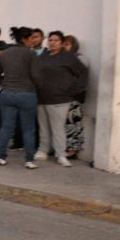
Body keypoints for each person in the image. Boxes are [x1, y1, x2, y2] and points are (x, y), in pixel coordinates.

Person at [34, 31, 88, 167]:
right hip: (42, 98)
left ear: (62, 43)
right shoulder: (43, 56)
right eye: (50, 40)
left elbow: (82, 72)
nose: (52, 43)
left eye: (56, 40)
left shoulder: (68, 57)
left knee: (58, 128)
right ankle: (43, 150)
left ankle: (61, 154)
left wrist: (74, 90)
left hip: (60, 99)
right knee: (43, 127)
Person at [0, 26, 43, 169]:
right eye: (31, 38)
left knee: (6, 127)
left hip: (7, 93)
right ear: (24, 39)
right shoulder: (31, 54)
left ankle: (1, 156)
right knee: (28, 128)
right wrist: (37, 88)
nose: (33, 41)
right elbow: (36, 76)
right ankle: (29, 159)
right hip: (27, 94)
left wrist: (5, 83)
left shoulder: (4, 54)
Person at [62, 35, 88, 158]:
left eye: (67, 44)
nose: (65, 47)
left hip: (74, 96)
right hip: (62, 96)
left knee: (73, 122)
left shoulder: (80, 59)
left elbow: (80, 78)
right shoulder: (61, 58)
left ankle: (73, 149)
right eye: (64, 44)